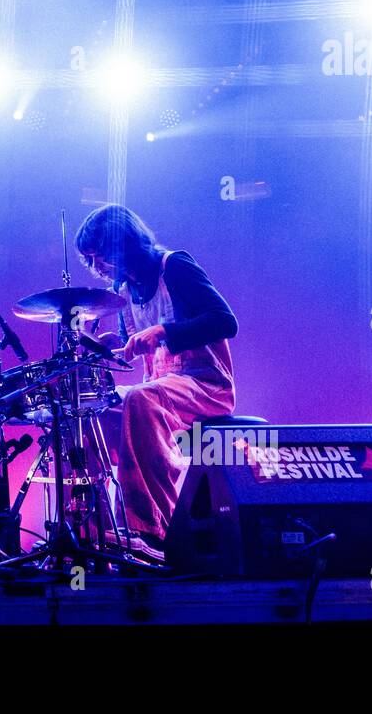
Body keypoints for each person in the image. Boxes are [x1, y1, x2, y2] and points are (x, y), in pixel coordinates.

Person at [75, 204, 237, 559]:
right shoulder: (128, 290)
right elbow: (132, 345)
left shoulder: (174, 266)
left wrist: (164, 332)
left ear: (124, 243)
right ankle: (100, 527)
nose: (97, 266)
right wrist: (109, 347)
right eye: (89, 260)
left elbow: (225, 322)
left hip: (206, 385)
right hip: (161, 389)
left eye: (99, 255)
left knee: (141, 399)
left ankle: (151, 529)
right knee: (90, 409)